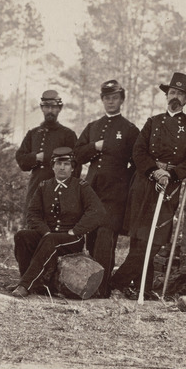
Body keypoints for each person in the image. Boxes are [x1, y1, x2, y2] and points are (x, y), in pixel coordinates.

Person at [109, 72, 186, 297]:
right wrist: (155, 171)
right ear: (166, 96)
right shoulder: (153, 121)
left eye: (180, 94)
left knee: (155, 239)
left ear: (185, 99)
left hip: (168, 187)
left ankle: (114, 282)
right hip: (144, 184)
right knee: (138, 237)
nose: (175, 97)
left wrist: (171, 175)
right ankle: (141, 287)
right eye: (172, 92)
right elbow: (138, 151)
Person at [74, 80, 140, 297]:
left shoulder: (129, 130)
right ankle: (88, 283)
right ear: (102, 100)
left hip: (115, 194)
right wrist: (95, 147)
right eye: (107, 98)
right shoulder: (93, 127)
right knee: (91, 236)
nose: (110, 102)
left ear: (122, 100)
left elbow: (138, 161)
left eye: (115, 98)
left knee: (105, 235)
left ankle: (101, 289)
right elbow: (78, 155)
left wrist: (122, 180)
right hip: (92, 190)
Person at [11, 147, 106, 298]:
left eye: (67, 164)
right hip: (48, 235)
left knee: (51, 240)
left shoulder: (81, 187)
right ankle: (29, 281)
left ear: (73, 167)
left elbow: (98, 212)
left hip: (72, 239)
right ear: (53, 166)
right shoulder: (44, 186)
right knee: (22, 236)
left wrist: (76, 230)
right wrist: (45, 231)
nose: (62, 167)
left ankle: (25, 285)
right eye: (58, 163)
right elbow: (33, 213)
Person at [15, 90, 77, 217]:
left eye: (54, 107)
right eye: (46, 107)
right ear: (42, 108)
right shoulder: (33, 133)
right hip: (35, 189)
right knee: (32, 227)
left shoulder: (68, 135)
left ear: (60, 109)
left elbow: (76, 165)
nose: (50, 110)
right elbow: (21, 160)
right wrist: (36, 157)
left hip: (59, 190)